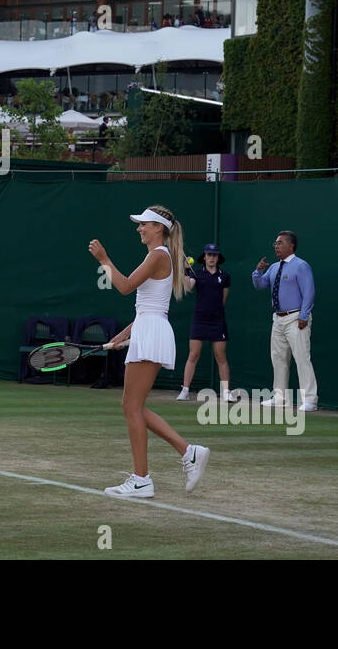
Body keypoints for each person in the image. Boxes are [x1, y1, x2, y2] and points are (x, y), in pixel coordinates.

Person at [88, 206, 210, 497]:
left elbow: (125, 287)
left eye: (144, 224)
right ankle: (188, 451)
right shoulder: (159, 255)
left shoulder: (158, 255)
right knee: (134, 406)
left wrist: (104, 259)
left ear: (158, 228)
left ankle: (142, 479)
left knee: (131, 407)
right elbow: (147, 307)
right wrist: (123, 335)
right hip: (148, 327)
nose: (139, 228)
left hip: (152, 330)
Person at [251, 230, 317, 411]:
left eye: (280, 243)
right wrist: (258, 271)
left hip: (296, 318)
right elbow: (260, 285)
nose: (276, 246)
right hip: (278, 319)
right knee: (278, 359)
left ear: (291, 245)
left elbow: (309, 292)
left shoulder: (301, 266)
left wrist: (304, 316)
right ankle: (279, 398)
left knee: (302, 358)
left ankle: (310, 400)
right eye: (275, 243)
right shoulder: (274, 267)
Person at [177, 244, 233, 403]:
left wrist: (215, 312)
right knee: (193, 354)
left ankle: (226, 392)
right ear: (204, 257)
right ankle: (185, 390)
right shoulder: (197, 274)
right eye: (209, 255)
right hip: (199, 319)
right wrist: (186, 270)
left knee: (220, 356)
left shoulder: (225, 276)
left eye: (214, 255)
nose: (212, 258)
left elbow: (223, 299)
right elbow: (188, 287)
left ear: (218, 257)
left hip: (217, 320)